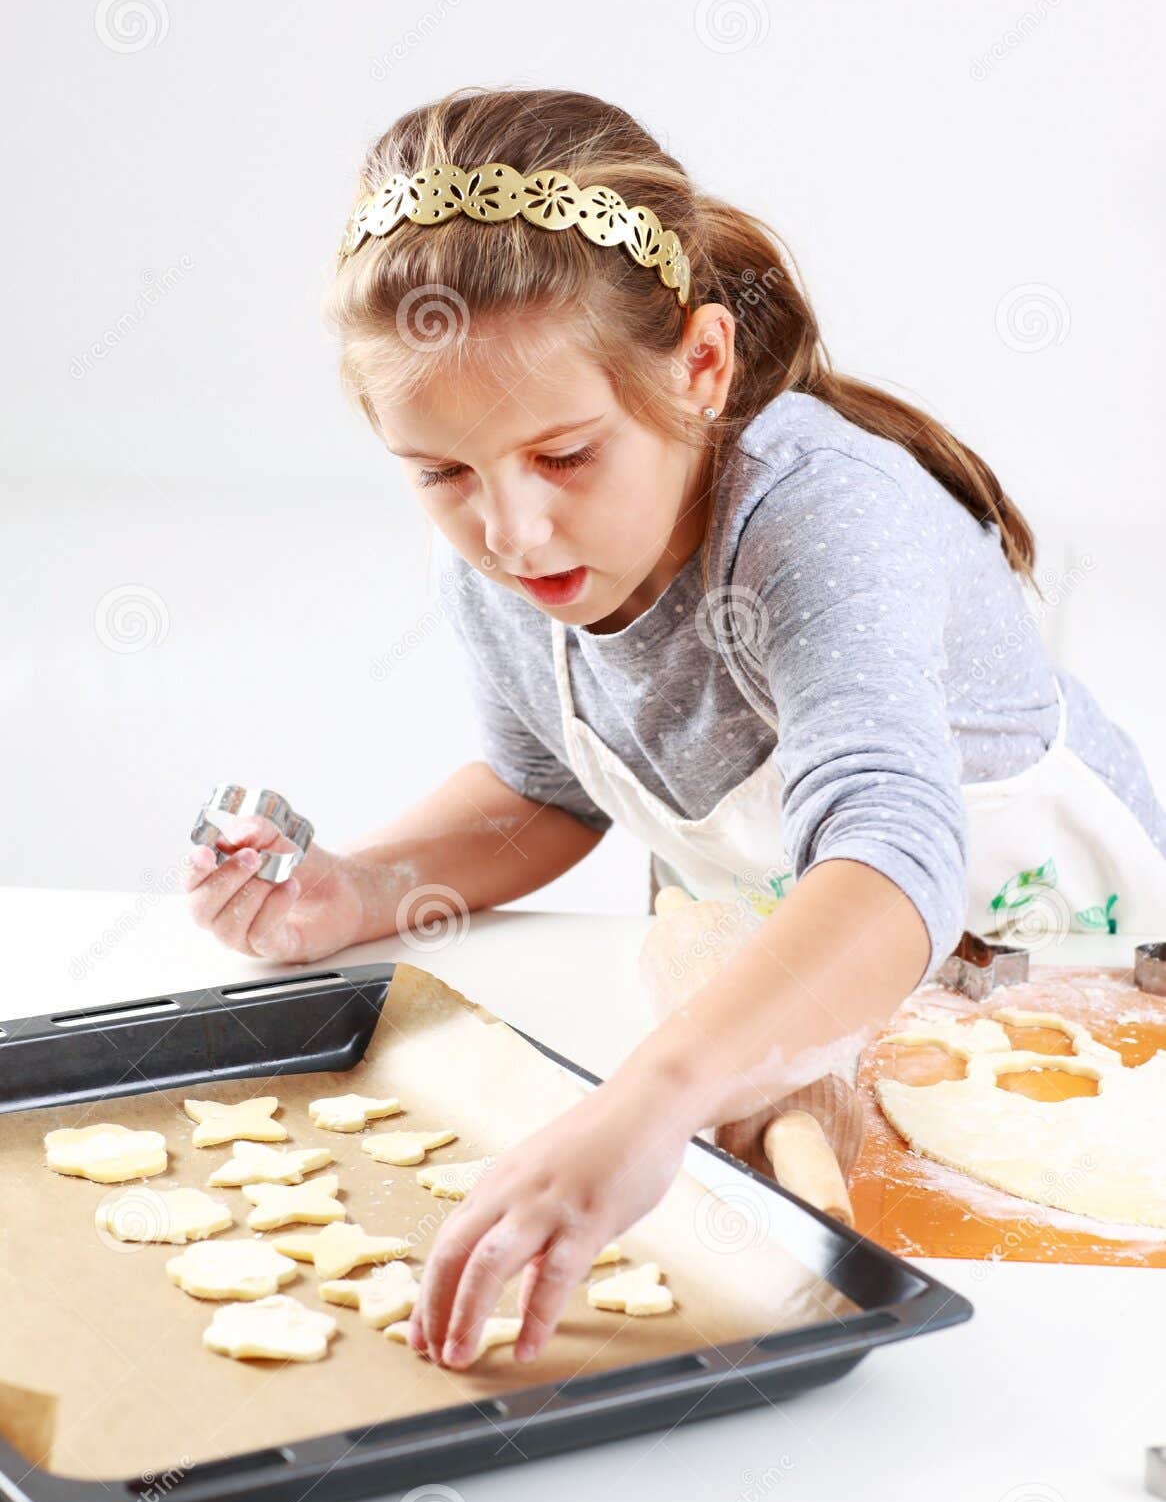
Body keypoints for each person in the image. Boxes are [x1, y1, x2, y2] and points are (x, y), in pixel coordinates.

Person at [182, 85, 1166, 1371]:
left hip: (1061, 1022)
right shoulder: (503, 554)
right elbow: (546, 790)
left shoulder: (820, 520)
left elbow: (889, 846)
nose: (510, 529)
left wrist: (648, 1094)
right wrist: (358, 891)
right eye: (442, 474)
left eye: (566, 457)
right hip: (793, 1012)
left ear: (698, 367)